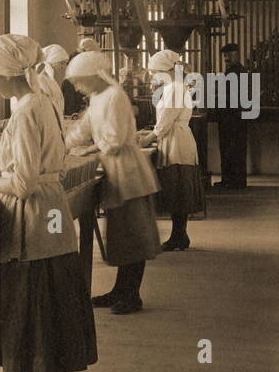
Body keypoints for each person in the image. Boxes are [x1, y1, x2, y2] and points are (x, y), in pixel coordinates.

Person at [0, 34, 95, 372]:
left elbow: (20, 183)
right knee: (56, 312)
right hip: (53, 212)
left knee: (39, 314)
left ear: (5, 74)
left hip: (35, 219)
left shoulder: (24, 111)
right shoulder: (45, 100)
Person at [66, 49, 161, 314]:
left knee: (133, 236)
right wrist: (60, 146)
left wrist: (91, 149)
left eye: (78, 81)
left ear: (94, 76)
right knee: (120, 237)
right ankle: (120, 290)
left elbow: (116, 140)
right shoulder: (97, 97)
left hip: (129, 172)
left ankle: (132, 295)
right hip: (115, 170)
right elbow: (82, 129)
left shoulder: (115, 96)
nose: (76, 87)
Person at [140, 49, 202, 251]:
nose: (152, 76)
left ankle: (178, 236)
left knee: (178, 192)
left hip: (177, 141)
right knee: (178, 193)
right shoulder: (173, 86)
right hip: (175, 138)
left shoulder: (174, 88)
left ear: (165, 70)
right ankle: (180, 236)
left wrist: (150, 137)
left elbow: (166, 119)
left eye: (154, 71)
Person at [214, 41, 249, 188]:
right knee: (236, 149)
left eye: (229, 55)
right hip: (237, 116)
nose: (226, 58)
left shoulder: (236, 72)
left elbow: (229, 95)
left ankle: (231, 181)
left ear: (236, 54)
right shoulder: (237, 71)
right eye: (225, 55)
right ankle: (236, 181)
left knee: (231, 148)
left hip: (232, 117)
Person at [36, 44, 70, 122]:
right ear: (52, 62)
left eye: (65, 63)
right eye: (61, 63)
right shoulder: (41, 80)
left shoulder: (51, 81)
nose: (64, 66)